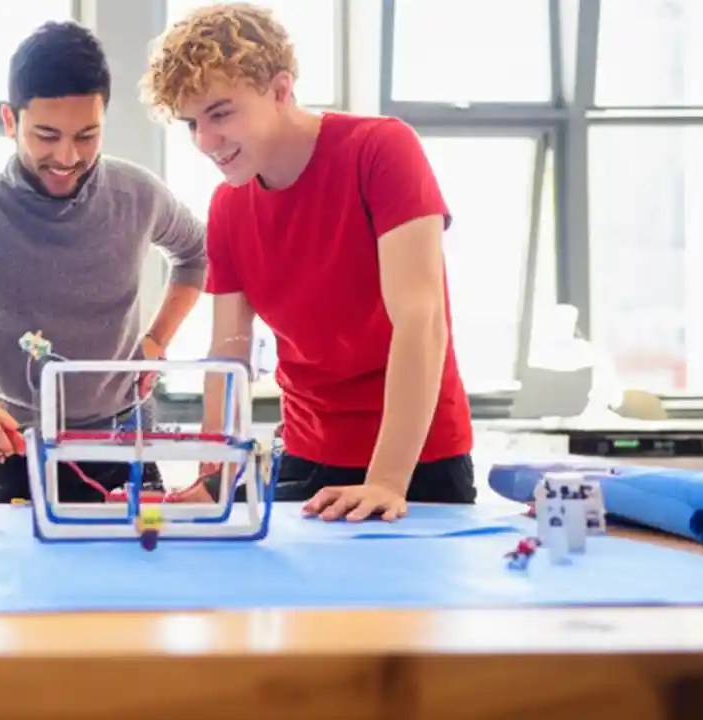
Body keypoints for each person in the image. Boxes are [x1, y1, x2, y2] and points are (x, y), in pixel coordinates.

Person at [140, 3, 476, 522]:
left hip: (417, 460)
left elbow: (421, 321)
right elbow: (228, 354)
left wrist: (386, 481)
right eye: (191, 123)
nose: (205, 141)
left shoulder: (381, 150)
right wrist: (215, 472)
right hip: (306, 455)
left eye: (221, 113)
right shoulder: (228, 206)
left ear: (280, 89)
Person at [0, 21, 207, 504]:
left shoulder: (137, 193)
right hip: (18, 455)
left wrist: (157, 338)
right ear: (10, 122)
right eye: (46, 135)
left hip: (127, 439)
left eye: (87, 135)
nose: (67, 156)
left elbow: (196, 254)